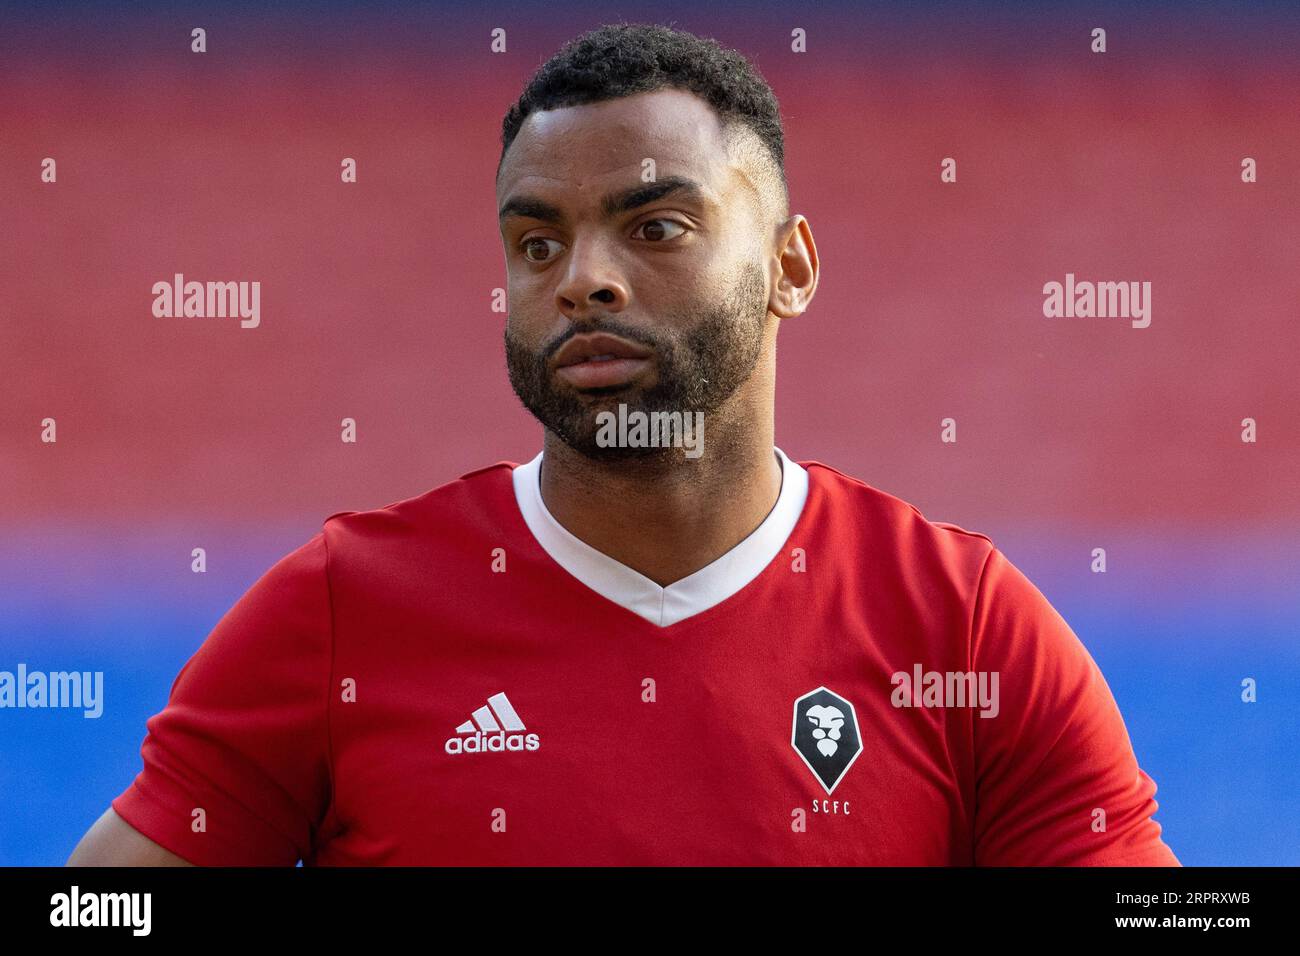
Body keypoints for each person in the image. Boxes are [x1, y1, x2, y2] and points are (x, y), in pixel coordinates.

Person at [68, 22, 1177, 866]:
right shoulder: (339, 609)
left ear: (789, 266)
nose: (583, 276)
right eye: (536, 239)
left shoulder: (966, 625)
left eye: (656, 227)